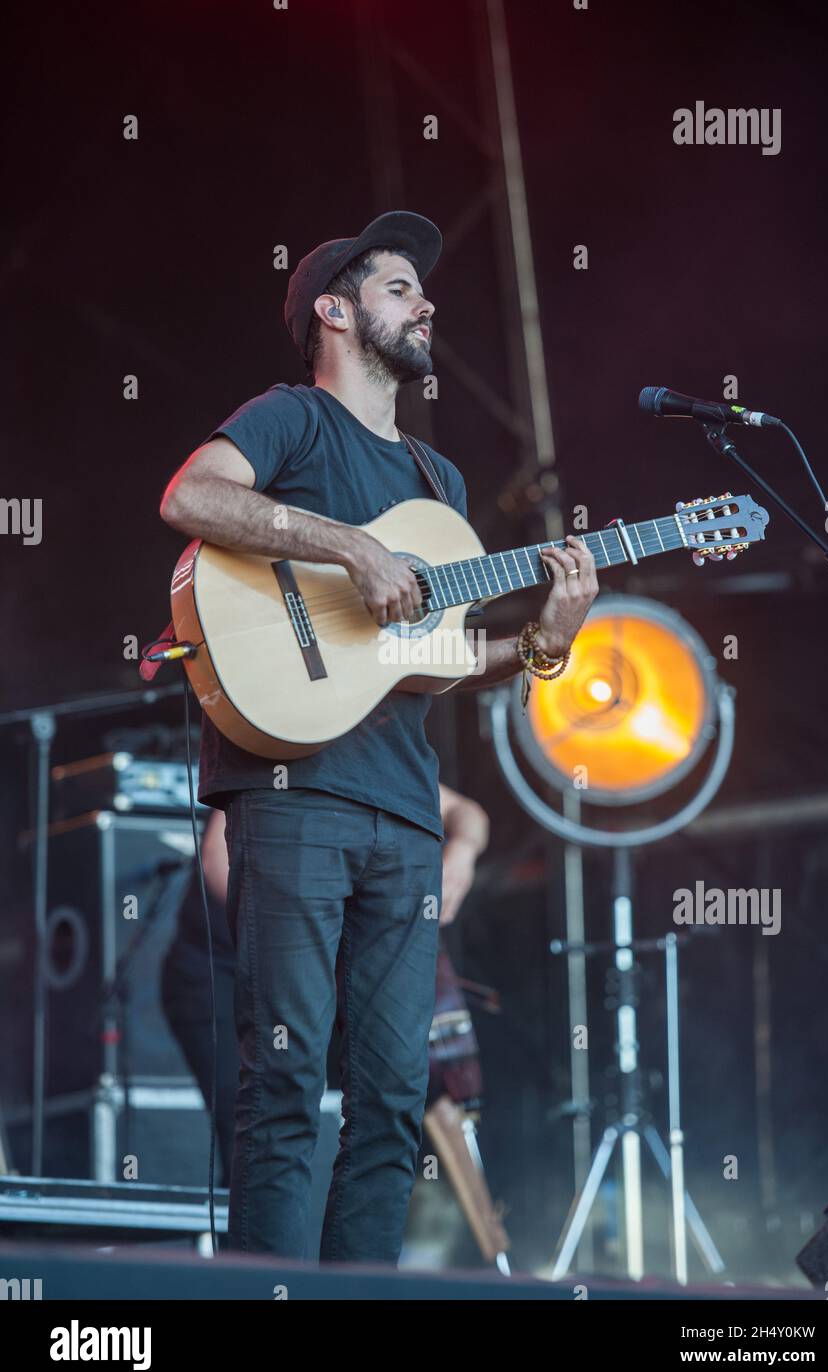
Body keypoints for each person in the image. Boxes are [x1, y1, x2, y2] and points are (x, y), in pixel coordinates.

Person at [159, 210, 598, 1262]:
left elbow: (430, 659)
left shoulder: (439, 486)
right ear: (335, 308)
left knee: (397, 1095)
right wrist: (347, 549)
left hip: (402, 813)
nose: (427, 302)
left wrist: (540, 643)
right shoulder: (291, 418)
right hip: (290, 794)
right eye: (401, 287)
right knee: (283, 1075)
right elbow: (191, 495)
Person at [160, 785, 490, 1190]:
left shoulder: (373, 754)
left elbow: (468, 811)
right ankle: (252, 1252)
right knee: (261, 1134)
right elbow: (219, 867)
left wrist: (463, 851)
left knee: (366, 1120)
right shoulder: (286, 744)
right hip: (222, 980)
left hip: (316, 981)